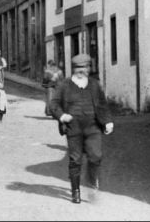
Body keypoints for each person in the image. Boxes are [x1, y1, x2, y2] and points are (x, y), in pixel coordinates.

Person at [49, 54, 114, 204]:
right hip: (74, 128)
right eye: (78, 68)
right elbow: (54, 105)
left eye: (84, 67)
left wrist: (108, 121)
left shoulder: (94, 84)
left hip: (93, 127)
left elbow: (102, 104)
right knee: (75, 160)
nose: (81, 71)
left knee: (95, 156)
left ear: (88, 68)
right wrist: (62, 116)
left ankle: (92, 185)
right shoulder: (64, 85)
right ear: (73, 69)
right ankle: (75, 191)